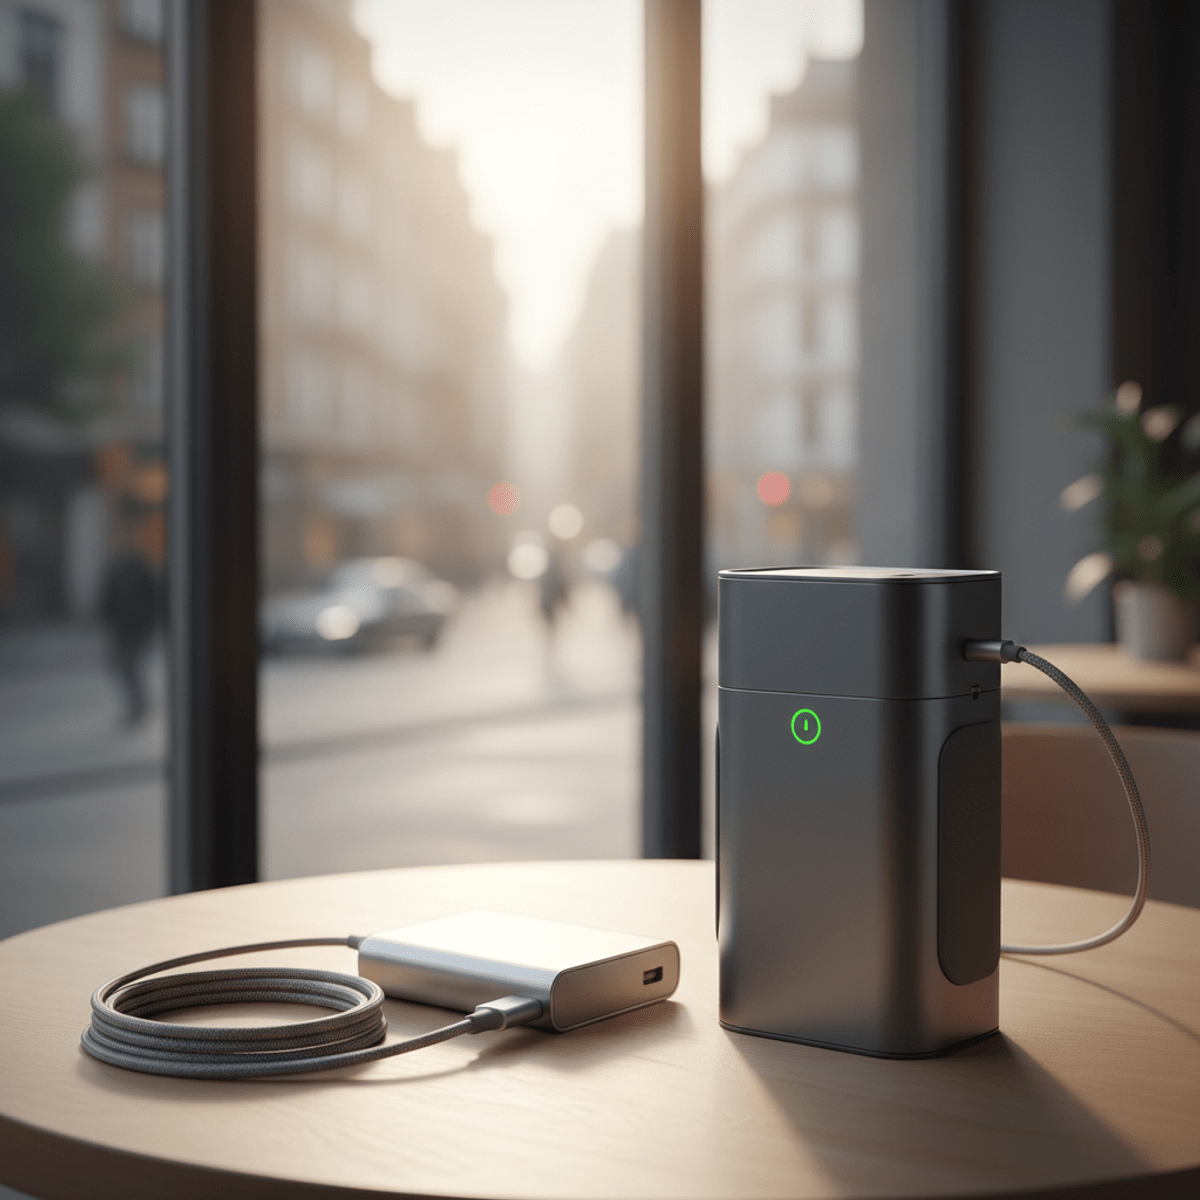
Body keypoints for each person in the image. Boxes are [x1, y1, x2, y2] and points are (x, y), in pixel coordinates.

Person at [97, 550, 159, 726]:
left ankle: (138, 705)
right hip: (123, 629)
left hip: (136, 628)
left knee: (129, 667)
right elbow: (106, 598)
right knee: (125, 667)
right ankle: (138, 704)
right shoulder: (117, 568)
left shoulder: (139, 568)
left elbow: (152, 599)